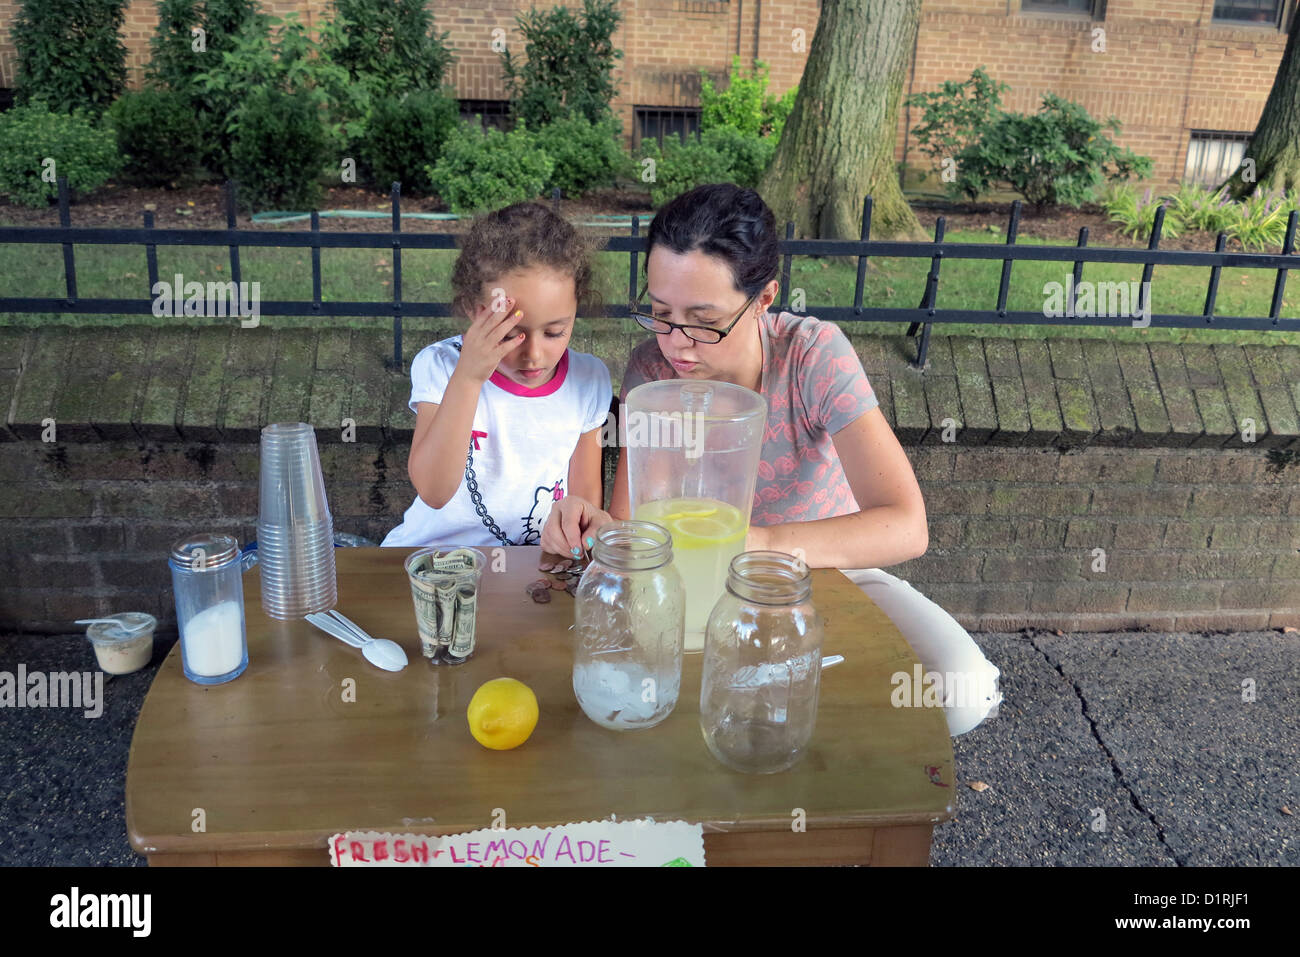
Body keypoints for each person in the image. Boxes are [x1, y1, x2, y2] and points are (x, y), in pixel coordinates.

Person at [541, 183, 1001, 735]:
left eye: (704, 321)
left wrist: (756, 543)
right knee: (652, 697)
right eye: (661, 313)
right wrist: (595, 529)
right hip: (695, 585)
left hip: (826, 574)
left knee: (963, 692)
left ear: (763, 299)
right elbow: (640, 525)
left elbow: (906, 526)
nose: (677, 344)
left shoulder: (812, 357)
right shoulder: (653, 370)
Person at [382, 202, 612, 549]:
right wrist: (469, 379)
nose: (534, 355)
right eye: (510, 333)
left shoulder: (588, 380)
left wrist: (578, 533)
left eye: (554, 333)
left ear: (576, 309)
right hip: (433, 560)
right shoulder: (442, 367)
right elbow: (434, 491)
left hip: (528, 571)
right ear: (476, 312)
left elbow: (583, 504)